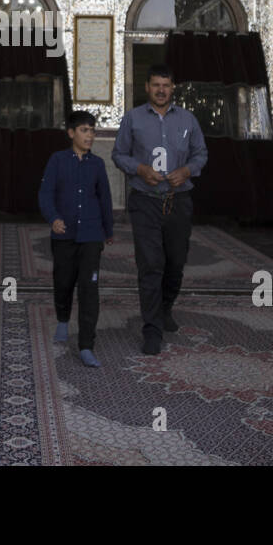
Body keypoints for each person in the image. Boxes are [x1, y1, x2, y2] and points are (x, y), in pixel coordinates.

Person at [112, 64, 208, 354]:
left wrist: (188, 171)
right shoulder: (133, 119)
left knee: (175, 263)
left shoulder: (188, 120)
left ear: (173, 88)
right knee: (150, 264)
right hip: (145, 201)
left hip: (178, 200)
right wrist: (139, 168)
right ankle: (151, 330)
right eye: (156, 85)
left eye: (165, 85)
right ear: (147, 88)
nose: (161, 90)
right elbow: (118, 155)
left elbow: (200, 153)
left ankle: (165, 308)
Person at [38, 110, 115, 368]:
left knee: (89, 289)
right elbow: (45, 194)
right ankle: (62, 319)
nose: (89, 135)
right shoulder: (57, 160)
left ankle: (86, 346)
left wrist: (109, 229)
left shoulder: (97, 164)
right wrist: (53, 218)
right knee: (63, 281)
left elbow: (104, 198)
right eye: (84, 130)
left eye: (92, 131)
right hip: (64, 235)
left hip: (91, 236)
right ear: (71, 133)